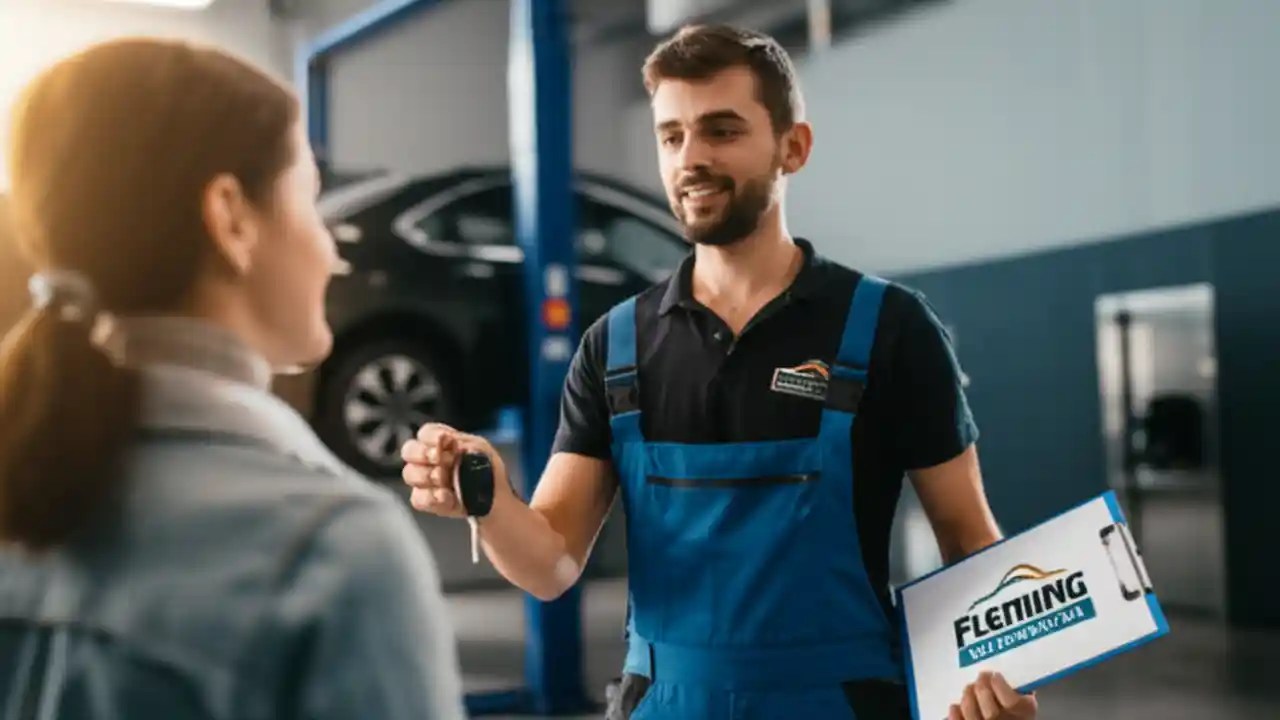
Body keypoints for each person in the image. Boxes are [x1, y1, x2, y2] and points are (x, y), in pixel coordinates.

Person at [402, 24, 1038, 720]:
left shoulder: (890, 328)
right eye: (671, 136)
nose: (691, 158)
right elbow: (551, 565)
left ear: (793, 147)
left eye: (721, 131)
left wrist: (997, 679)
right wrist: (490, 502)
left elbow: (967, 537)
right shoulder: (615, 347)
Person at [0, 38, 466, 719]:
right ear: (231, 218)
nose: (331, 251)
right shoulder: (331, 553)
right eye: (310, 199)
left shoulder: (27, 489)